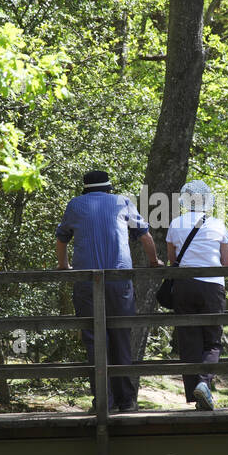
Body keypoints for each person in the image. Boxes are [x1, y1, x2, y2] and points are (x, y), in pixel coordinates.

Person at [55, 169, 161, 413]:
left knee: (94, 341)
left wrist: (63, 266)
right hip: (119, 281)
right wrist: (154, 262)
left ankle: (104, 402)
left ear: (86, 189)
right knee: (121, 338)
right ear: (108, 188)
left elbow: (62, 238)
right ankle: (127, 401)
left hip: (87, 282)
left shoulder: (75, 204)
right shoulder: (122, 202)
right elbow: (144, 236)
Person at [166, 179, 228, 410]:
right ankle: (204, 384)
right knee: (213, 341)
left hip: (184, 286)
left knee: (189, 340)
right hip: (212, 287)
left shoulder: (175, 223)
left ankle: (195, 397)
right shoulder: (218, 224)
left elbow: (172, 260)